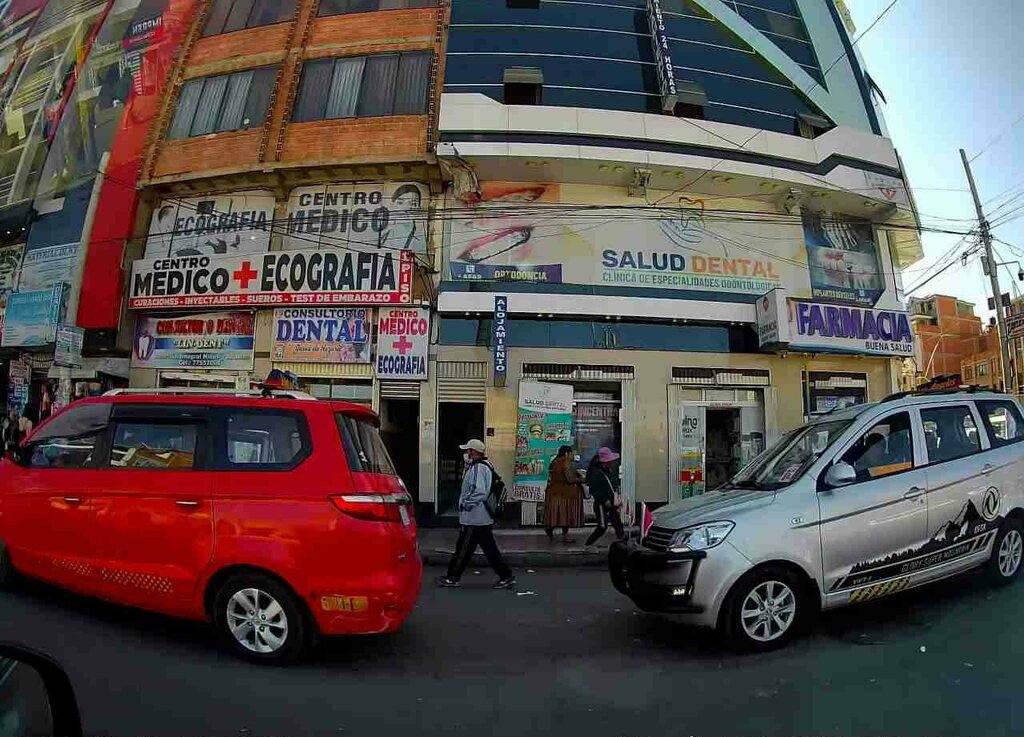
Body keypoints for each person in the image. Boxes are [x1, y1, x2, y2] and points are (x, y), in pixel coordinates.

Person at [438, 439, 515, 589]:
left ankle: (452, 577)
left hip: (474, 517)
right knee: (489, 550)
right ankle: (506, 576)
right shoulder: (484, 466)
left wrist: (467, 504)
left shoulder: (478, 468)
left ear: (474, 452)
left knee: (463, 550)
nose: (466, 453)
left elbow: (480, 491)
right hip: (482, 518)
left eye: (468, 450)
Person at [585, 447, 625, 547]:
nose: (611, 462)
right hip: (601, 505)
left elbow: (611, 486)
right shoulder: (597, 473)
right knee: (602, 527)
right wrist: (604, 499)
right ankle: (588, 545)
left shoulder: (608, 471)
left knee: (617, 523)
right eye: (610, 461)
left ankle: (622, 542)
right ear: (605, 462)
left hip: (610, 503)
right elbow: (594, 490)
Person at [543, 445, 583, 543]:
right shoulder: (565, 462)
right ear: (566, 453)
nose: (572, 455)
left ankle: (550, 528)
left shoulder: (555, 461)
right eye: (571, 453)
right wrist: (582, 479)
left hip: (554, 492)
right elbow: (570, 479)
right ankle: (565, 536)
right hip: (564, 493)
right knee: (566, 514)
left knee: (556, 514)